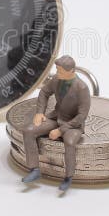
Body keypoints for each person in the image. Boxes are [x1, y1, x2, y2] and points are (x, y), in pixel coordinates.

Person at [21, 55, 91, 191]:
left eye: (60, 71)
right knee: (28, 131)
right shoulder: (56, 80)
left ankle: (68, 177)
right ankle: (34, 169)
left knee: (69, 142)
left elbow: (82, 115)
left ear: (71, 70)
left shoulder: (81, 88)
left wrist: (61, 130)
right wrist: (40, 112)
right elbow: (44, 92)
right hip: (56, 117)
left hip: (73, 124)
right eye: (57, 70)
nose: (57, 73)